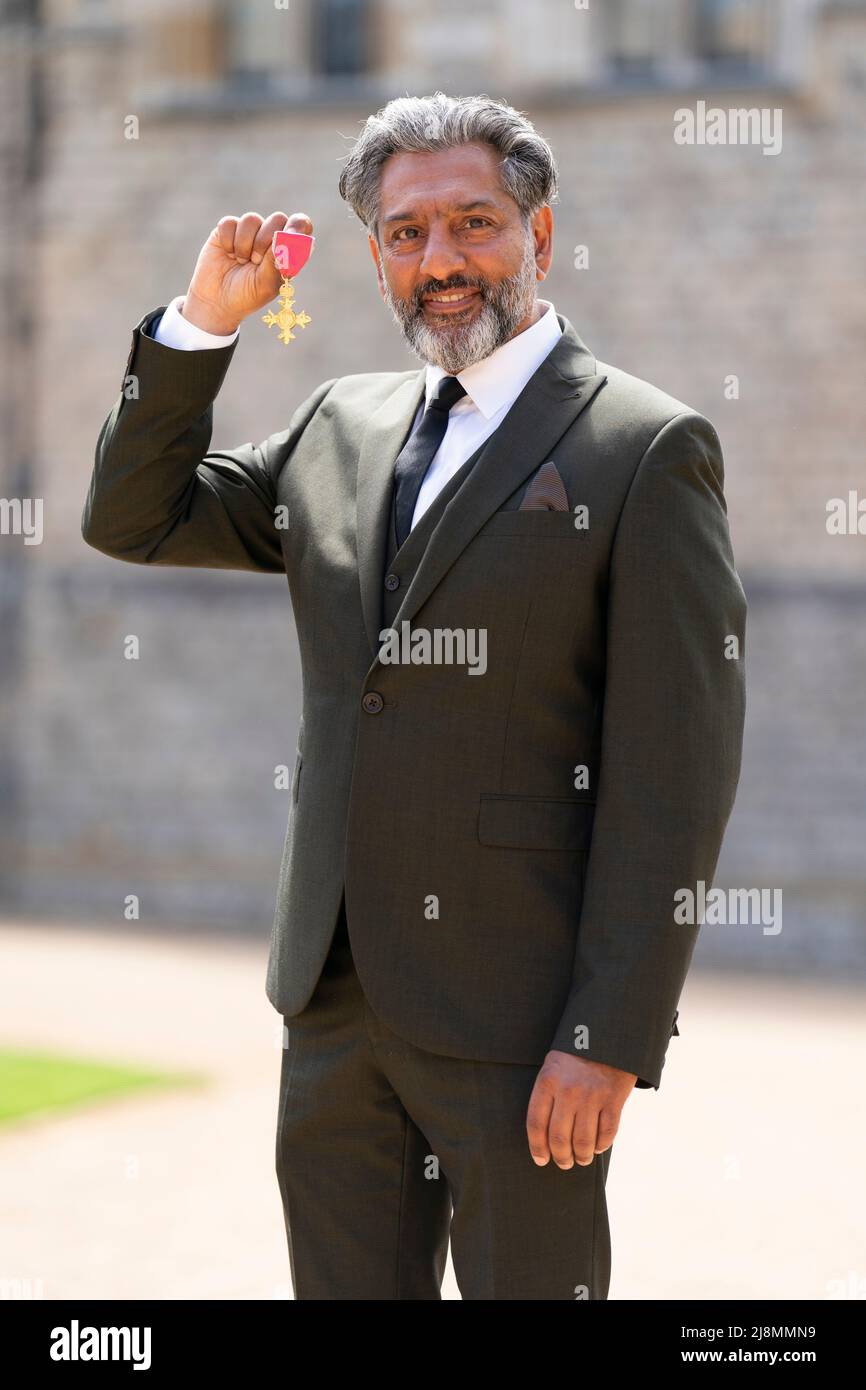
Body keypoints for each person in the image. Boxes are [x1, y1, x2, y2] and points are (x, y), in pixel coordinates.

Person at [82, 92, 746, 1300]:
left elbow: (674, 774)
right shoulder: (338, 423)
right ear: (374, 257)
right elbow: (133, 516)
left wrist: (608, 1033)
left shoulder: (645, 448)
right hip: (334, 1008)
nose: (438, 261)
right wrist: (200, 326)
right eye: (403, 234)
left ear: (540, 239)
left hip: (520, 1021)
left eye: (472, 224)